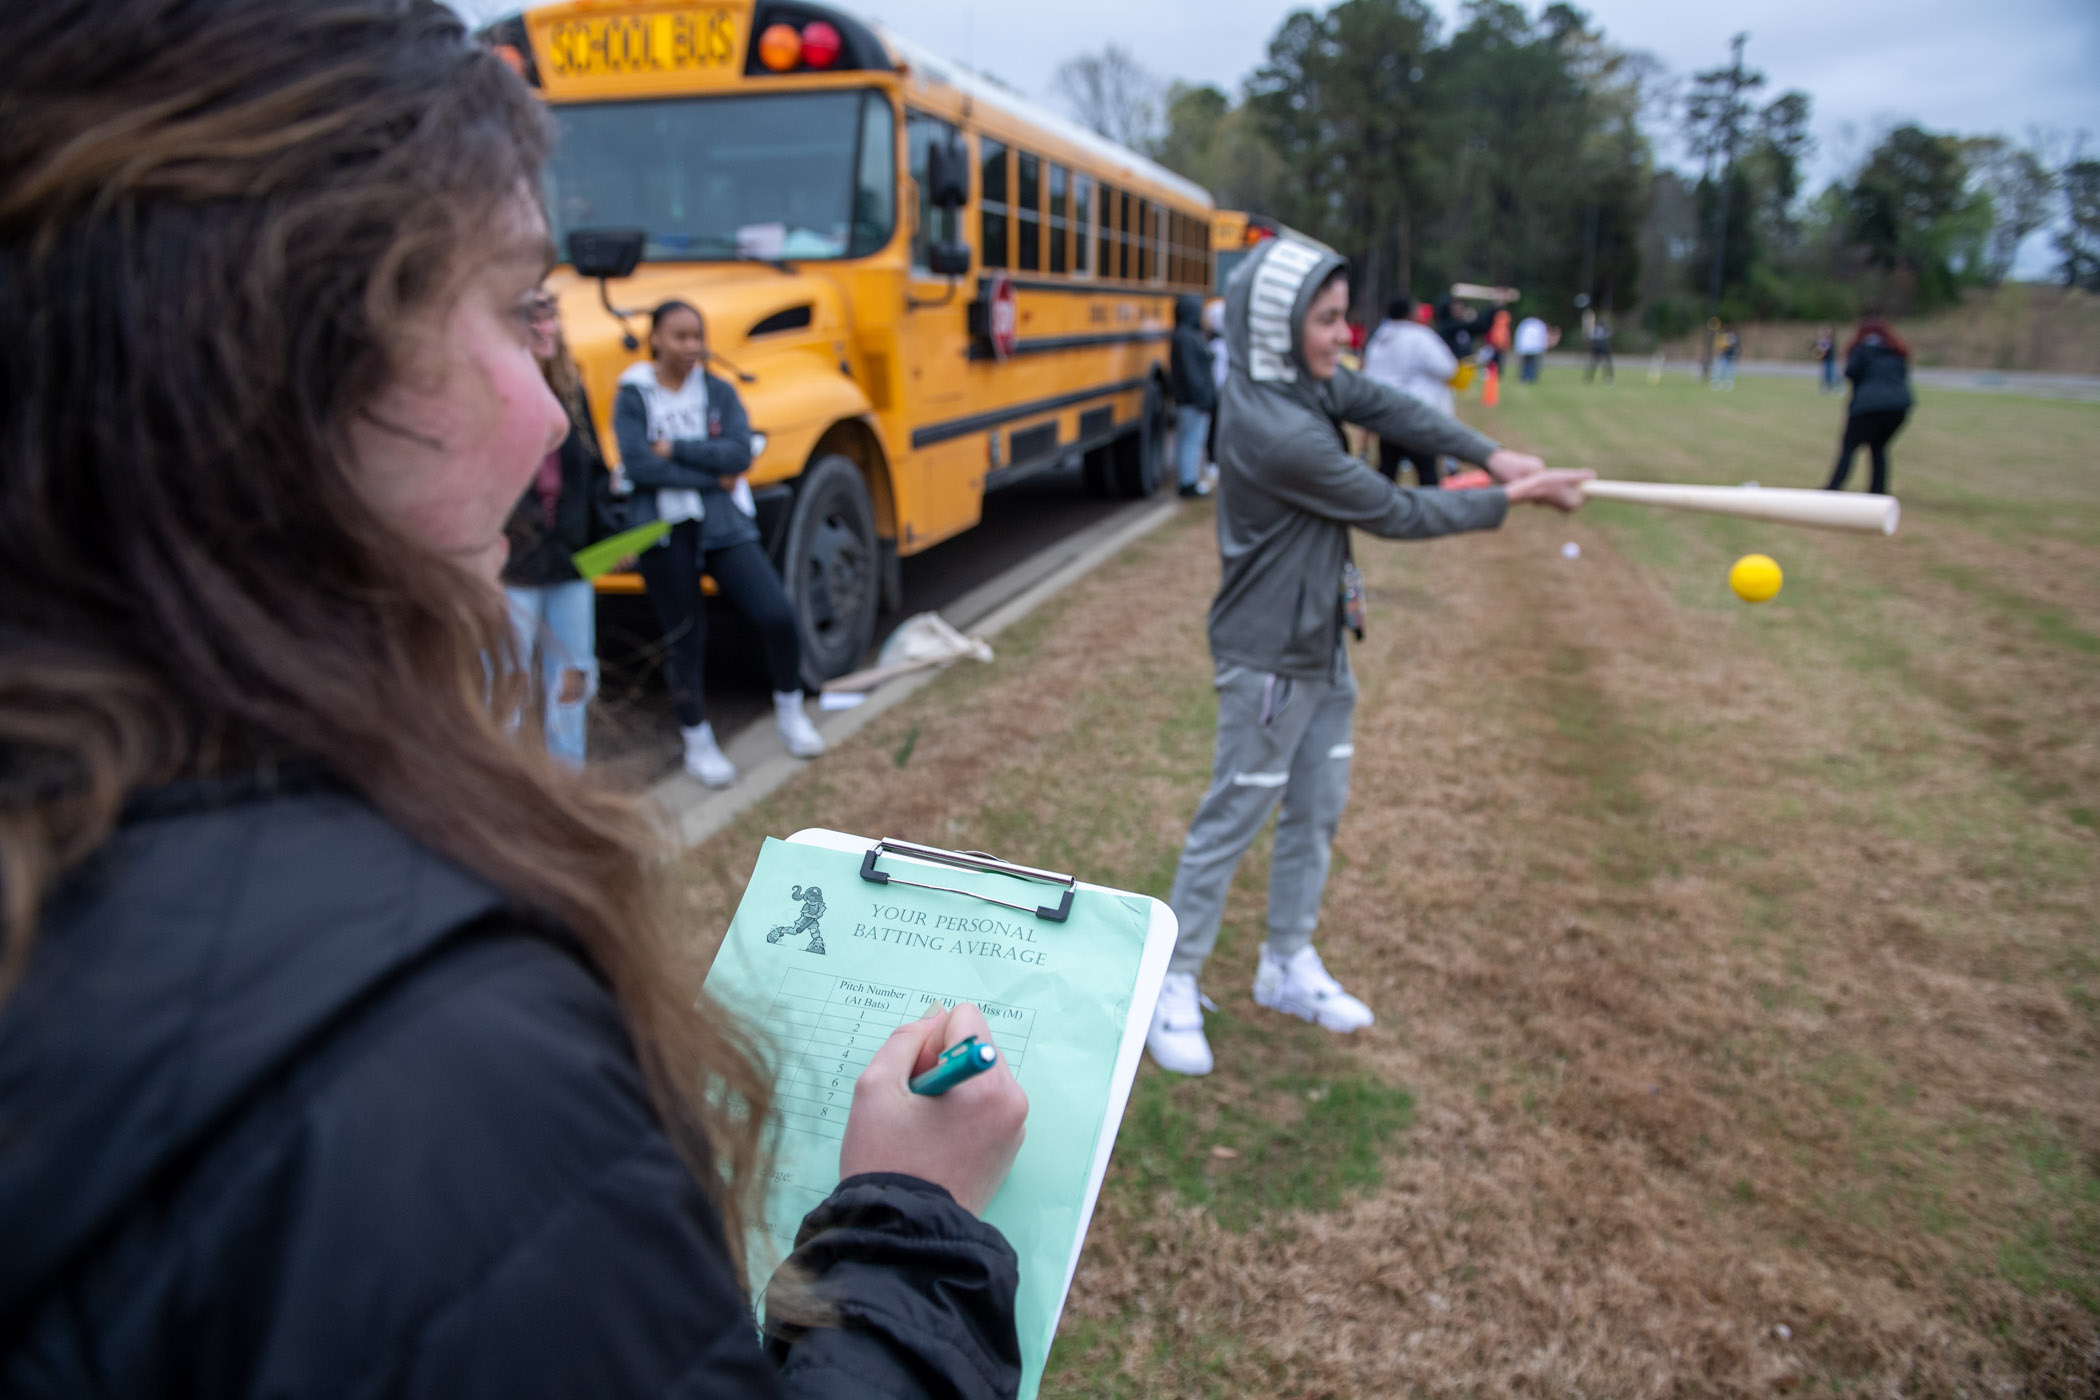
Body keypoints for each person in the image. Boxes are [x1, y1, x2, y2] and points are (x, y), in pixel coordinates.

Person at [0, 5, 1030, 1398]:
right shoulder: (428, 1071)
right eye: (498, 304)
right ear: (265, 365)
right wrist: (916, 1234)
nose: (548, 410)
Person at [1143, 238, 1592, 1076]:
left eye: (1343, 315)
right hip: (1267, 655)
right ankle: (1174, 980)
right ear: (1276, 325)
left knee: (1315, 808)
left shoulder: (1303, 382)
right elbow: (1396, 511)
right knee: (1231, 820)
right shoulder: (1272, 425)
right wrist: (1513, 497)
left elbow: (1388, 406)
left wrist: (1489, 453)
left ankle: (1285, 966)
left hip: (1320, 639)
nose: (1343, 335)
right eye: (1325, 319)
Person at [615, 300, 825, 788]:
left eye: (697, 336)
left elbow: (739, 452)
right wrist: (715, 476)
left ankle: (791, 713)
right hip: (664, 529)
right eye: (680, 336)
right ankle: (699, 743)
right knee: (685, 636)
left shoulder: (718, 390)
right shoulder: (634, 394)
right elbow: (638, 466)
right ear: (656, 340)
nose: (691, 347)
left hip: (723, 525)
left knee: (776, 614)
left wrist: (680, 450)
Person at [502, 292, 610, 769]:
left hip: (569, 561)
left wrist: (608, 538)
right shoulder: (493, 392)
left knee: (573, 677)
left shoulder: (569, 387)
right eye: (532, 317)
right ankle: (498, 792)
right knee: (505, 682)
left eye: (550, 315)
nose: (545, 328)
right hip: (512, 566)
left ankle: (570, 781)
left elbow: (594, 473)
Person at [1360, 295, 1459, 486]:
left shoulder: (1380, 338)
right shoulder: (1420, 336)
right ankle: (1430, 512)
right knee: (1427, 472)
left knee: (1387, 470)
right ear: (1409, 314)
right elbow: (1448, 368)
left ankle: (1381, 511)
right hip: (1416, 416)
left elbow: (1369, 374)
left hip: (1385, 414)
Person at [1825, 315, 1914, 495]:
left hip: (1867, 406)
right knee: (1879, 447)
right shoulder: (1896, 351)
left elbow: (1851, 373)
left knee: (1849, 446)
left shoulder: (1861, 350)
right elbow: (1902, 375)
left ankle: (1833, 488)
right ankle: (1878, 490)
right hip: (1899, 406)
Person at [1169, 293, 1216, 498]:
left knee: (1191, 441)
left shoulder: (1186, 335)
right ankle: (1188, 482)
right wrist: (1202, 399)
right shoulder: (1186, 337)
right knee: (1191, 441)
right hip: (1192, 401)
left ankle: (1190, 480)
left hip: (1191, 399)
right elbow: (1191, 373)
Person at [1514, 313, 1550, 383]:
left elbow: (1519, 335)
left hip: (1525, 347)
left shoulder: (1524, 323)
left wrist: (1518, 347)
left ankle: (1525, 377)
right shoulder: (1540, 324)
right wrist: (1544, 347)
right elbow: (1543, 337)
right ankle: (1530, 377)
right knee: (1532, 363)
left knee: (1526, 363)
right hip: (1535, 348)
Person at [1585, 316, 1615, 384]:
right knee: (1597, 365)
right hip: (1601, 348)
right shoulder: (1601, 329)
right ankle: (1608, 378)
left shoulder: (1598, 329)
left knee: (1602, 365)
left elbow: (1591, 337)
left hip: (1601, 348)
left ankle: (1590, 378)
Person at [1712, 326, 1740, 391]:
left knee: (1730, 371)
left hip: (1730, 357)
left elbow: (1734, 347)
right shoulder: (1723, 337)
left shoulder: (1733, 338)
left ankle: (1728, 384)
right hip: (1723, 356)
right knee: (1721, 370)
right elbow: (1721, 347)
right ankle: (1719, 383)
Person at [1814, 323, 1838, 394]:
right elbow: (1820, 351)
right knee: (1826, 374)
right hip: (1825, 360)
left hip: (1831, 359)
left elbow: (1826, 350)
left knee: (1832, 374)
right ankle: (1826, 387)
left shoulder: (1829, 340)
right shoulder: (1822, 340)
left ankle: (1833, 387)